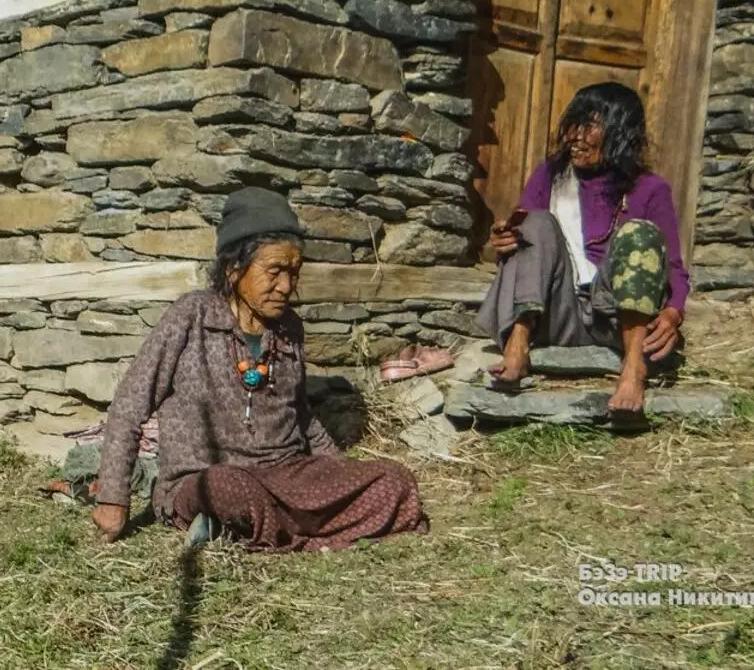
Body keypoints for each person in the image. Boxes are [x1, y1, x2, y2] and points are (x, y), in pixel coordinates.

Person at [91, 187, 429, 552]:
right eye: (274, 272)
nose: (285, 286)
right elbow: (130, 405)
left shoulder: (289, 329)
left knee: (396, 481)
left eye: (294, 273)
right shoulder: (191, 316)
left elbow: (301, 417)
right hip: (205, 479)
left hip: (287, 473)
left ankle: (262, 530)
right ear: (234, 269)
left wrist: (337, 471)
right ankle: (293, 527)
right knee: (229, 490)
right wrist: (114, 497)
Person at [476, 82, 691, 423]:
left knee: (641, 234)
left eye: (589, 126)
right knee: (535, 222)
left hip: (616, 321)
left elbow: (675, 267)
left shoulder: (650, 188)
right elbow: (528, 248)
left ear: (620, 132)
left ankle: (633, 368)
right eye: (573, 124)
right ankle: (518, 345)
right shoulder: (552, 175)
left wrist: (673, 313)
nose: (575, 136)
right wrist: (506, 242)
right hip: (556, 314)